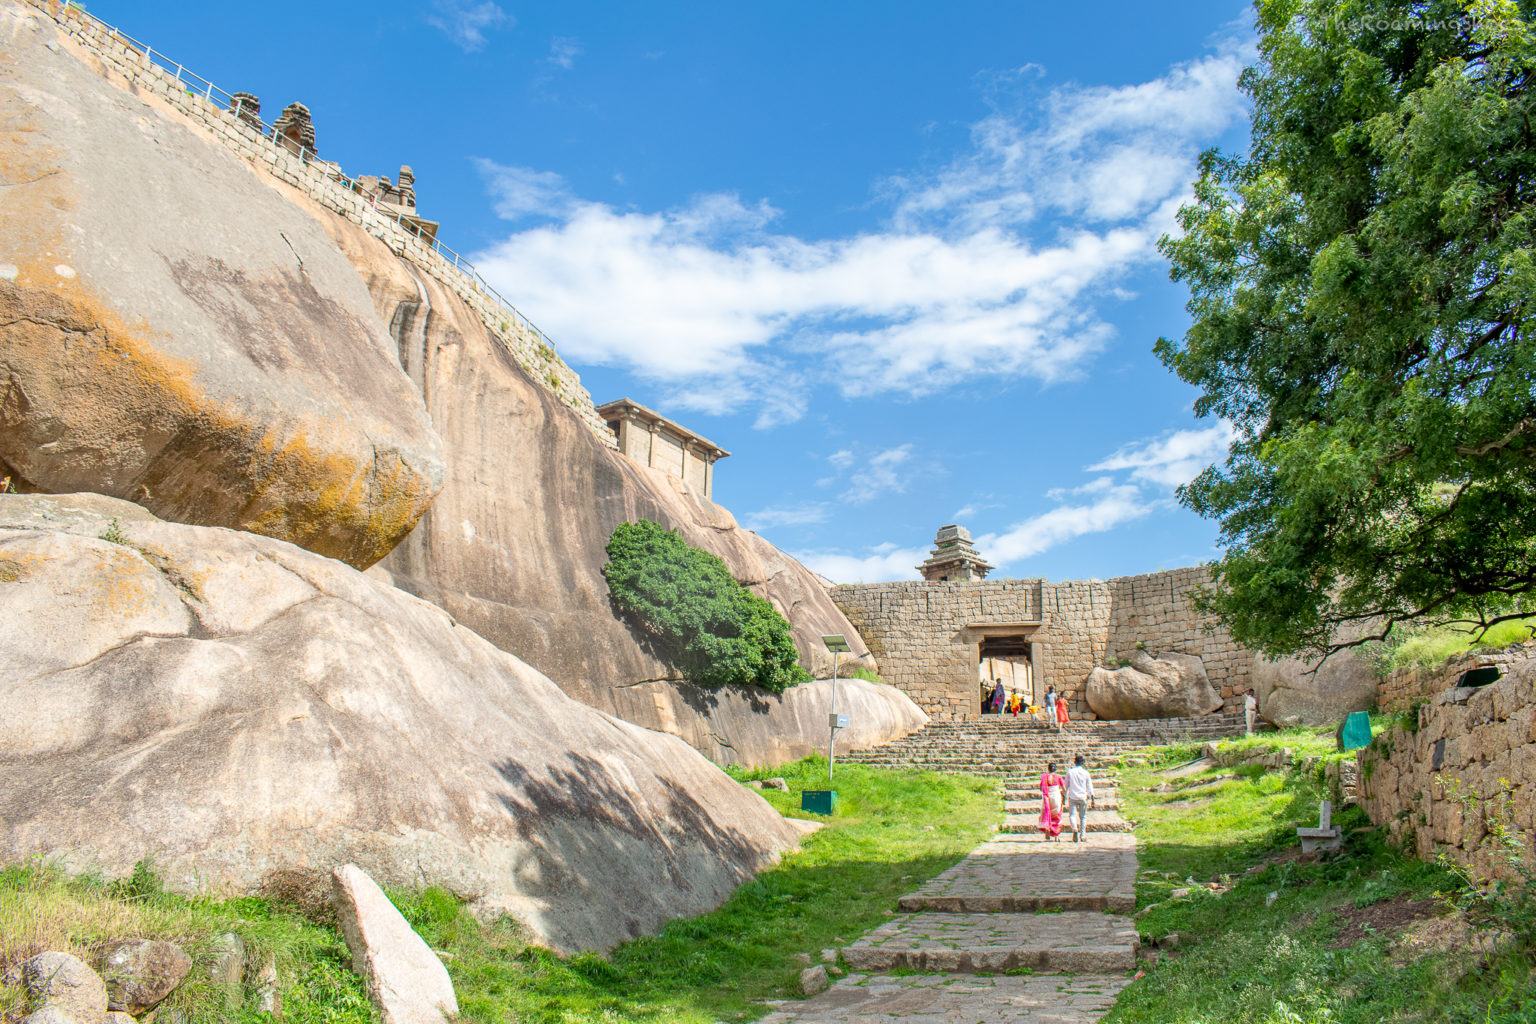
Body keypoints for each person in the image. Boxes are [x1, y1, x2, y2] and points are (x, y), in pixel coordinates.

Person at [1065, 754, 1095, 843]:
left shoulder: (1070, 772)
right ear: (1083, 763)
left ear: (1075, 762)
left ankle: (1074, 828)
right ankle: (1083, 835)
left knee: (1072, 815)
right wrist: (1092, 797)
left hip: (1073, 796)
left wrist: (1063, 795)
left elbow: (1066, 785)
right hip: (1082, 796)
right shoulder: (1086, 773)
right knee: (1083, 817)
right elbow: (1089, 786)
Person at [1038, 762, 1066, 841]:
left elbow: (1041, 788)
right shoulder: (1058, 777)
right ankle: (1056, 834)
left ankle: (1047, 829)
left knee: (1047, 814)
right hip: (1056, 797)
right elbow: (1064, 789)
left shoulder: (1044, 777)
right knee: (1057, 816)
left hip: (1047, 798)